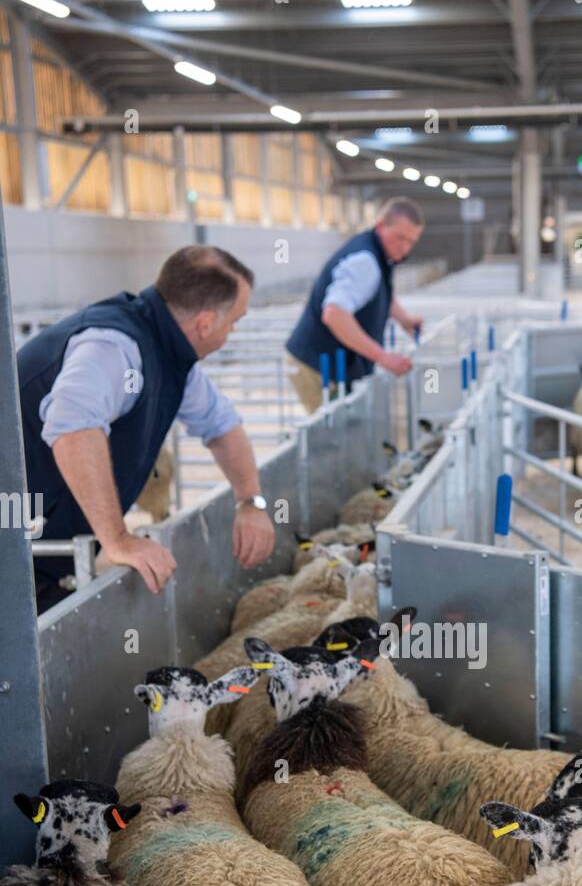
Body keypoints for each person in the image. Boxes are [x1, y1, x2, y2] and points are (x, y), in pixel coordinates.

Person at [18, 245, 276, 613]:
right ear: (206, 322)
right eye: (234, 321)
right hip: (19, 536)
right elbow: (73, 428)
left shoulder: (168, 352)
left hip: (45, 546)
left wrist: (250, 502)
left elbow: (221, 425)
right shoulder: (113, 346)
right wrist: (118, 539)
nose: (231, 332)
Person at [286, 197, 425, 413]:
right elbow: (334, 314)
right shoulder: (365, 261)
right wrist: (383, 357)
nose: (404, 248)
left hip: (329, 363)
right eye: (400, 238)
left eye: (411, 242)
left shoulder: (376, 254)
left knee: (343, 428)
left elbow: (374, 292)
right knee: (331, 434)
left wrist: (404, 318)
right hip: (318, 367)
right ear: (381, 226)